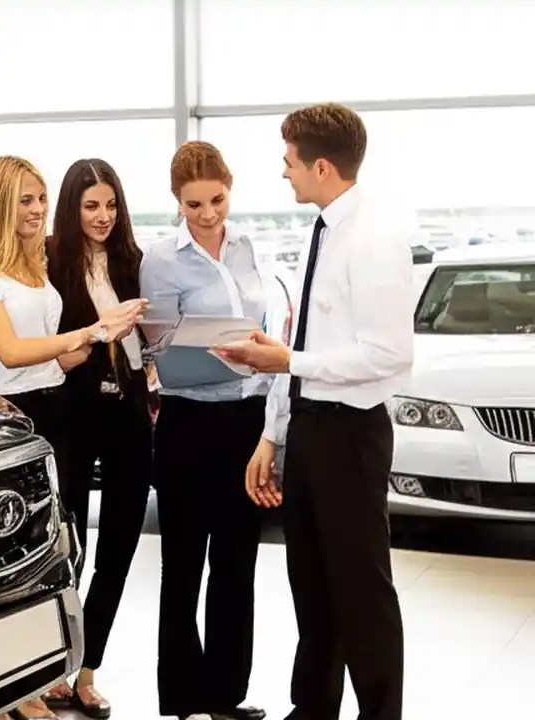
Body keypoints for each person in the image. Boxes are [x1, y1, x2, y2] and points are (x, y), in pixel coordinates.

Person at [215, 103, 414, 720]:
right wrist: (273, 435)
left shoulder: (374, 239)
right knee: (312, 583)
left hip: (351, 436)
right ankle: (314, 707)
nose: (284, 172)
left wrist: (288, 365)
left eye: (289, 161)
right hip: (308, 427)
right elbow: (301, 342)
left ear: (321, 165)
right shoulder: (321, 229)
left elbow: (388, 354)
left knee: (361, 591)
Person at [0, 155, 143, 720]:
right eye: (26, 201)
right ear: (0, 205)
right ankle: (23, 688)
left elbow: (50, 355)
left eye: (40, 199)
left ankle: (59, 675)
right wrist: (88, 334)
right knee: (26, 558)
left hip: (55, 407)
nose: (36, 211)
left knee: (60, 553)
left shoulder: (35, 265)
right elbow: (10, 352)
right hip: (11, 419)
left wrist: (96, 349)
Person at [139, 141, 268, 720]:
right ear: (177, 200)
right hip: (189, 422)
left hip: (247, 419)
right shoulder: (161, 259)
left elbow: (263, 323)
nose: (208, 214)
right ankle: (182, 699)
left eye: (216, 200)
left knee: (238, 565)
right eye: (194, 205)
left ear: (229, 188)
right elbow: (160, 351)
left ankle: (225, 696)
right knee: (185, 565)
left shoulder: (248, 248)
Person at [40, 158, 153, 719]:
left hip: (130, 412)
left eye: (110, 205)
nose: (103, 216)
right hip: (72, 415)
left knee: (119, 550)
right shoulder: (50, 261)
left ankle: (87, 672)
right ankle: (50, 674)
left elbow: (148, 341)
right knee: (68, 551)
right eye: (91, 206)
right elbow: (51, 346)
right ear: (72, 207)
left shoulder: (134, 261)